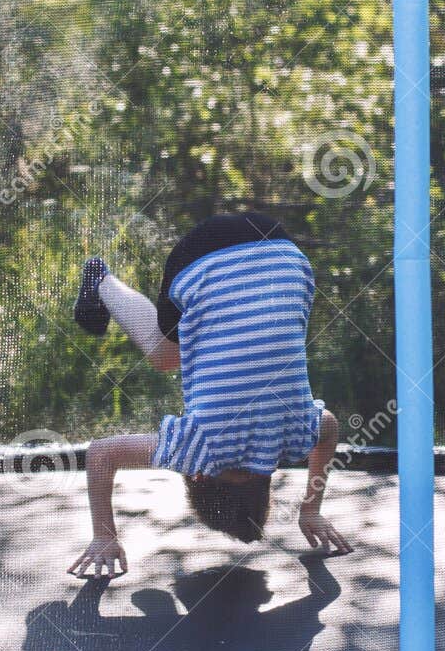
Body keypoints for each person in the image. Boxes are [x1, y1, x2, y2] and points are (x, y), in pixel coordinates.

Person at [68, 212, 351, 577]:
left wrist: (311, 509)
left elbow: (329, 428)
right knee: (165, 356)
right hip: (200, 259)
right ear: (199, 478)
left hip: (281, 250)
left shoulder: (295, 438)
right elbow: (101, 454)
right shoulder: (201, 453)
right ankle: (101, 281)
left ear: (266, 482)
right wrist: (103, 536)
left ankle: (104, 285)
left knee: (187, 348)